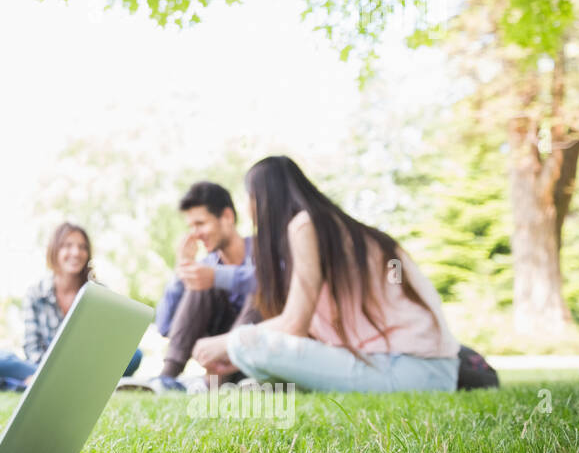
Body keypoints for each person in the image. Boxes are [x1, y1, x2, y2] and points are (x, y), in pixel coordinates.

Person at [192, 156, 460, 392]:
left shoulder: (306, 225)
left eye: (249, 198)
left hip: (409, 367)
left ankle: (264, 381)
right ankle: (271, 387)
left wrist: (227, 344)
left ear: (263, 198)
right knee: (254, 353)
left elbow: (293, 324)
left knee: (248, 344)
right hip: (425, 368)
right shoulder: (333, 227)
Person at [6, 222, 143, 389]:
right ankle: (60, 381)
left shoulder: (99, 294)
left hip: (87, 369)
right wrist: (50, 371)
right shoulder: (36, 293)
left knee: (135, 355)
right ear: (54, 250)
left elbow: (105, 346)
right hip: (43, 368)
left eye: (82, 247)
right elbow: (31, 346)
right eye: (67, 246)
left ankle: (47, 383)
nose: (76, 253)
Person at [150, 181, 259, 391]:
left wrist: (215, 276)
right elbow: (165, 327)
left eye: (200, 224)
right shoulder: (205, 269)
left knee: (262, 287)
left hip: (256, 353)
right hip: (218, 368)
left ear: (227, 217)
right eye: (191, 227)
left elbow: (278, 286)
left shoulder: (263, 250)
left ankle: (239, 376)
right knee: (200, 285)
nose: (195, 234)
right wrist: (180, 272)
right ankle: (165, 380)